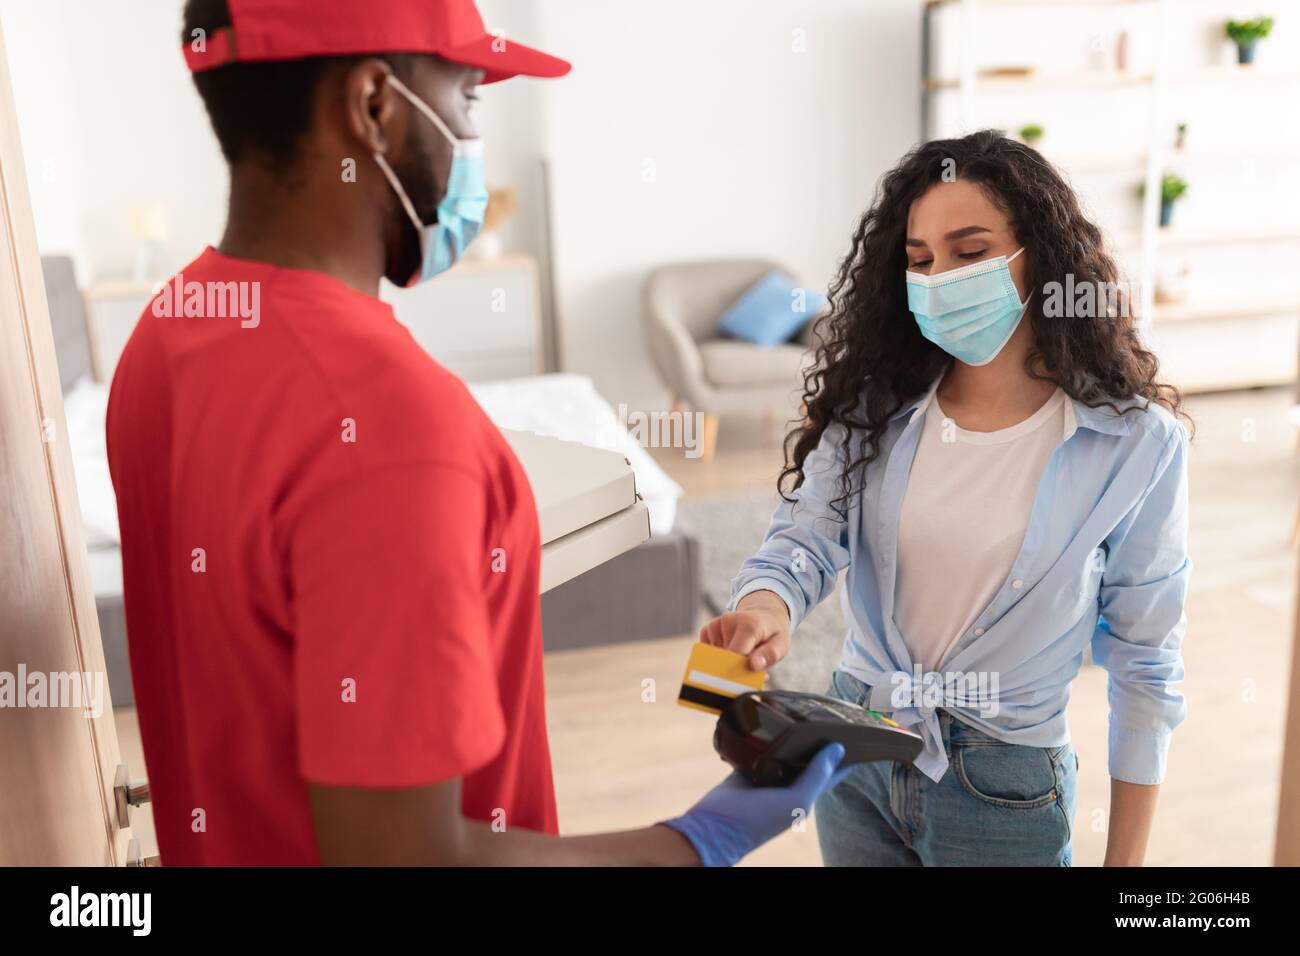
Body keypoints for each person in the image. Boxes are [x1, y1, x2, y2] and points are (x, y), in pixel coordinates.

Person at [106, 0, 848, 866]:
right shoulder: (386, 420)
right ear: (375, 106)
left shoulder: (169, 333)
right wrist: (695, 843)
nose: (469, 140)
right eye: (465, 97)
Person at [701, 130, 1191, 867]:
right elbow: (805, 538)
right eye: (920, 260)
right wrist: (764, 607)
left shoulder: (1136, 446)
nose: (939, 280)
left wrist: (1124, 868)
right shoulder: (875, 407)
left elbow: (1146, 662)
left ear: (1042, 258)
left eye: (969, 252)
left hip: (1005, 785)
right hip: (854, 752)